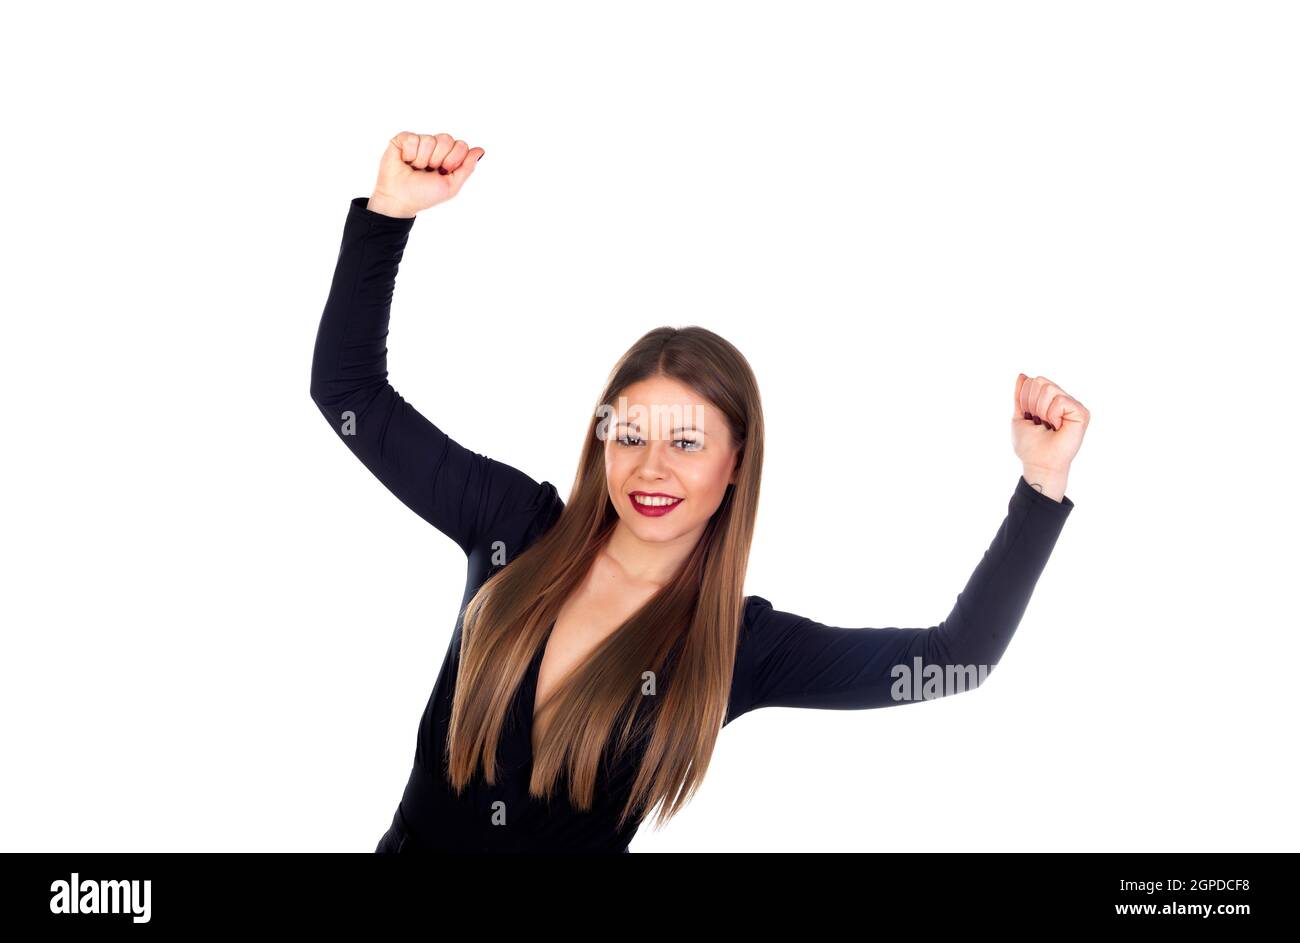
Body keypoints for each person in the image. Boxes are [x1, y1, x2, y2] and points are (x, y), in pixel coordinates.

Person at [310, 131, 1090, 854]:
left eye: (686, 443)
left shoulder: (735, 646)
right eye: (631, 435)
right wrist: (388, 216)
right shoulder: (512, 522)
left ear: (736, 465)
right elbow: (349, 393)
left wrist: (1040, 483)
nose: (652, 468)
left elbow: (955, 659)